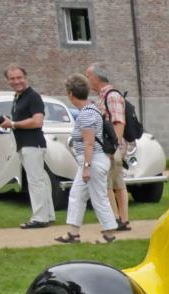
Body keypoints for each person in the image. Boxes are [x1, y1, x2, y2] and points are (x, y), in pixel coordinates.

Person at [54, 74, 119, 245]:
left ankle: (109, 234)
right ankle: (73, 233)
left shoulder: (86, 115)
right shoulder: (91, 109)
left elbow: (89, 143)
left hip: (93, 161)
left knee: (98, 197)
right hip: (92, 160)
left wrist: (87, 167)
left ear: (70, 94)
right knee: (76, 195)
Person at [0, 66, 54, 228]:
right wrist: (10, 122)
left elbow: (37, 121)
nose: (16, 81)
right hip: (27, 144)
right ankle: (47, 215)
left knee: (35, 181)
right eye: (12, 78)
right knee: (40, 180)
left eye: (19, 77)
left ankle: (40, 218)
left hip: (32, 144)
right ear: (7, 80)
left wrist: (12, 123)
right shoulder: (19, 97)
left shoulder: (33, 97)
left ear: (26, 77)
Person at [86, 65, 131, 231]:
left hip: (111, 148)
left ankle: (117, 219)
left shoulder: (111, 96)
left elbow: (118, 122)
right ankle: (121, 220)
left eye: (89, 76)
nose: (88, 80)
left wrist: (114, 148)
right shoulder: (104, 96)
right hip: (111, 147)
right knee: (117, 183)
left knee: (108, 184)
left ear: (96, 78)